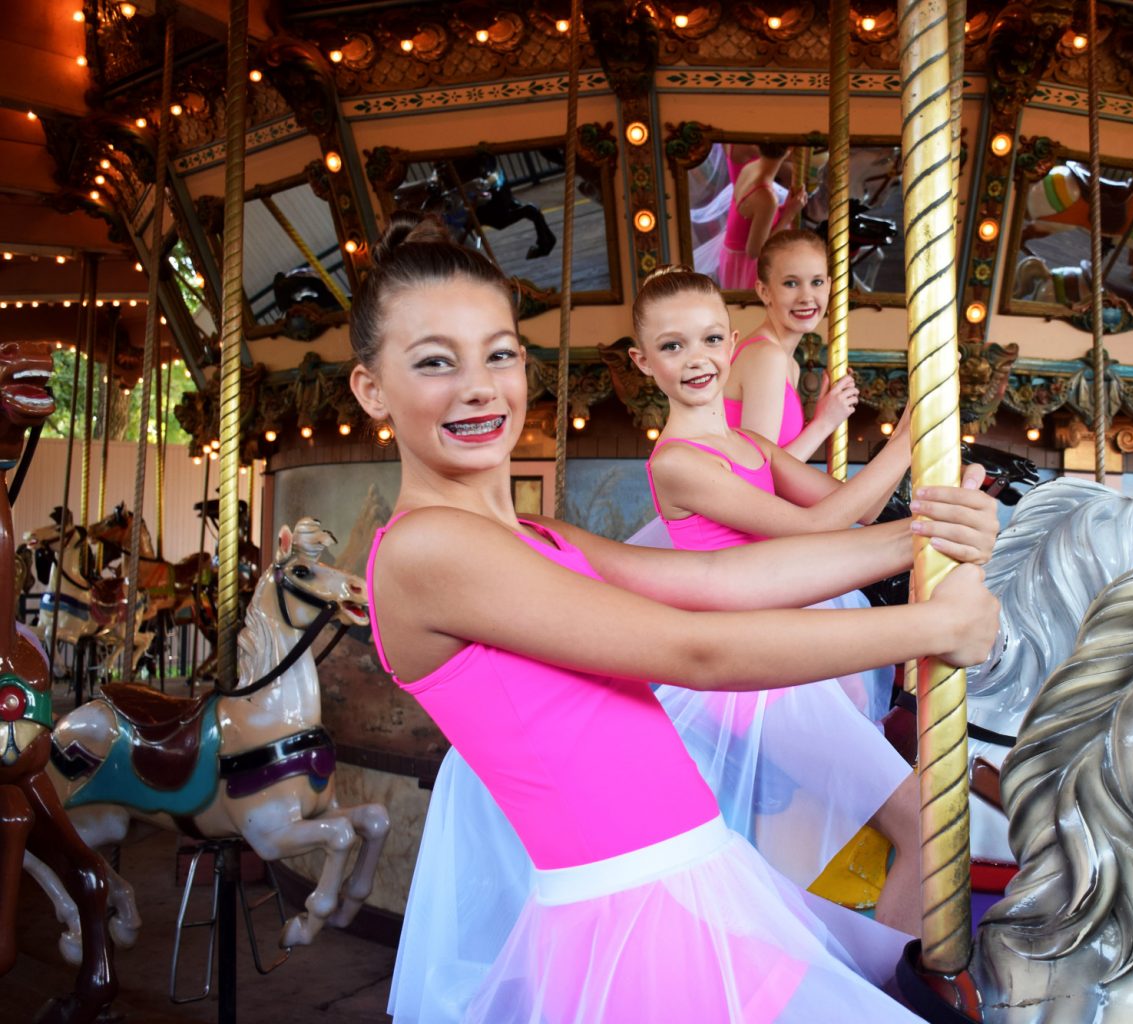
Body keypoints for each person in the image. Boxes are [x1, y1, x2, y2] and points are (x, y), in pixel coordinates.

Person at [352, 211, 1001, 1023]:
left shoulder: (535, 536)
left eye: (501, 354)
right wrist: (933, 629)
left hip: (694, 881)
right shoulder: (430, 550)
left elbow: (720, 580)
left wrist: (919, 536)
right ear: (371, 388)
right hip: (639, 921)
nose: (480, 387)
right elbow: (696, 648)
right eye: (435, 363)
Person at [630, 266, 919, 931]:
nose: (696, 359)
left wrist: (903, 447)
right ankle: (890, 996)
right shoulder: (677, 462)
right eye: (672, 347)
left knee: (827, 849)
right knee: (927, 827)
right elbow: (814, 531)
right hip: (749, 672)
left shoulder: (751, 445)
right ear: (643, 362)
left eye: (707, 340)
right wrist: (903, 440)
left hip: (789, 654)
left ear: (731, 342)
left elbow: (853, 513)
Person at [727, 229, 861, 465]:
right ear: (764, 291)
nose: (806, 296)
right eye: (791, 283)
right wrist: (825, 422)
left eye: (817, 282)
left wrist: (823, 415)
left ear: (829, 286)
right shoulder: (766, 356)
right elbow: (759, 472)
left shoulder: (790, 364)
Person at [719, 143, 806, 290]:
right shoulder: (767, 198)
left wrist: (784, 208)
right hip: (746, 268)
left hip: (733, 256)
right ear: (791, 150)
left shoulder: (750, 168)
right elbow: (754, 252)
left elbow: (754, 214)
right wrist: (789, 215)